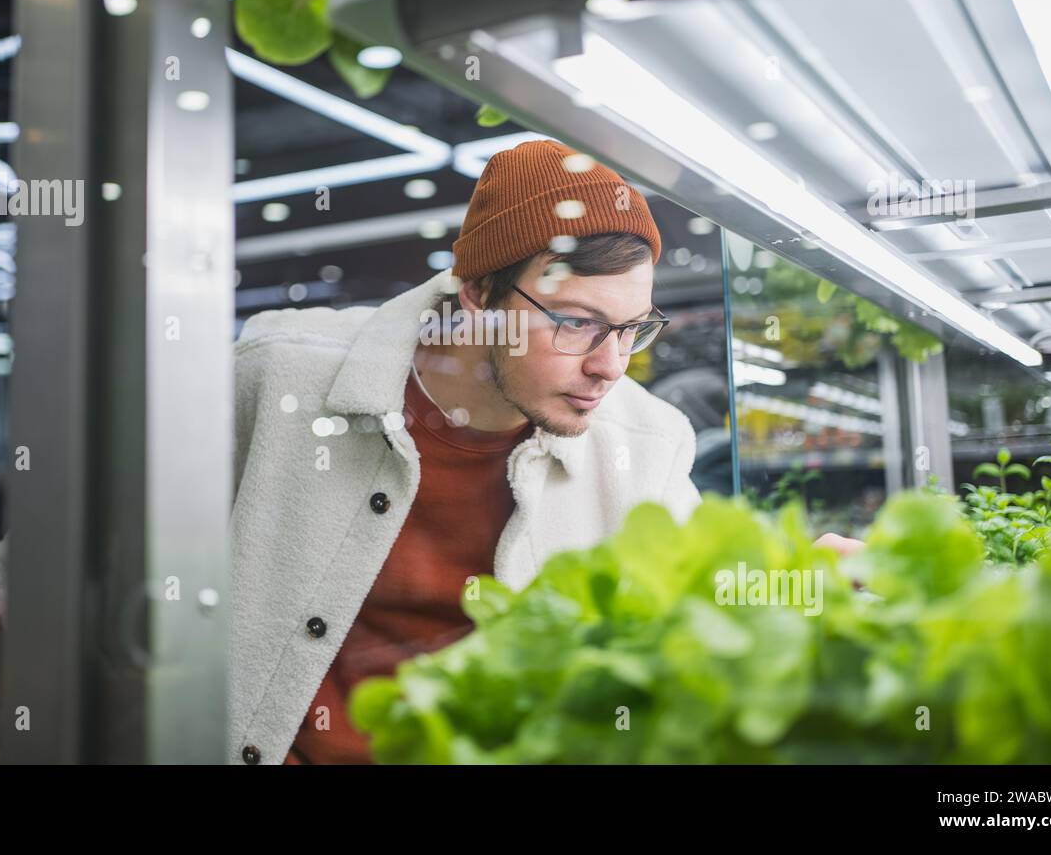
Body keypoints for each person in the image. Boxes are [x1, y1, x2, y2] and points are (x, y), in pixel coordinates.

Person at [230, 139, 862, 766]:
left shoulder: (645, 442)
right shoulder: (279, 377)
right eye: (575, 322)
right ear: (478, 292)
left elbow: (690, 599)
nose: (611, 367)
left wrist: (794, 583)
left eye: (631, 328)